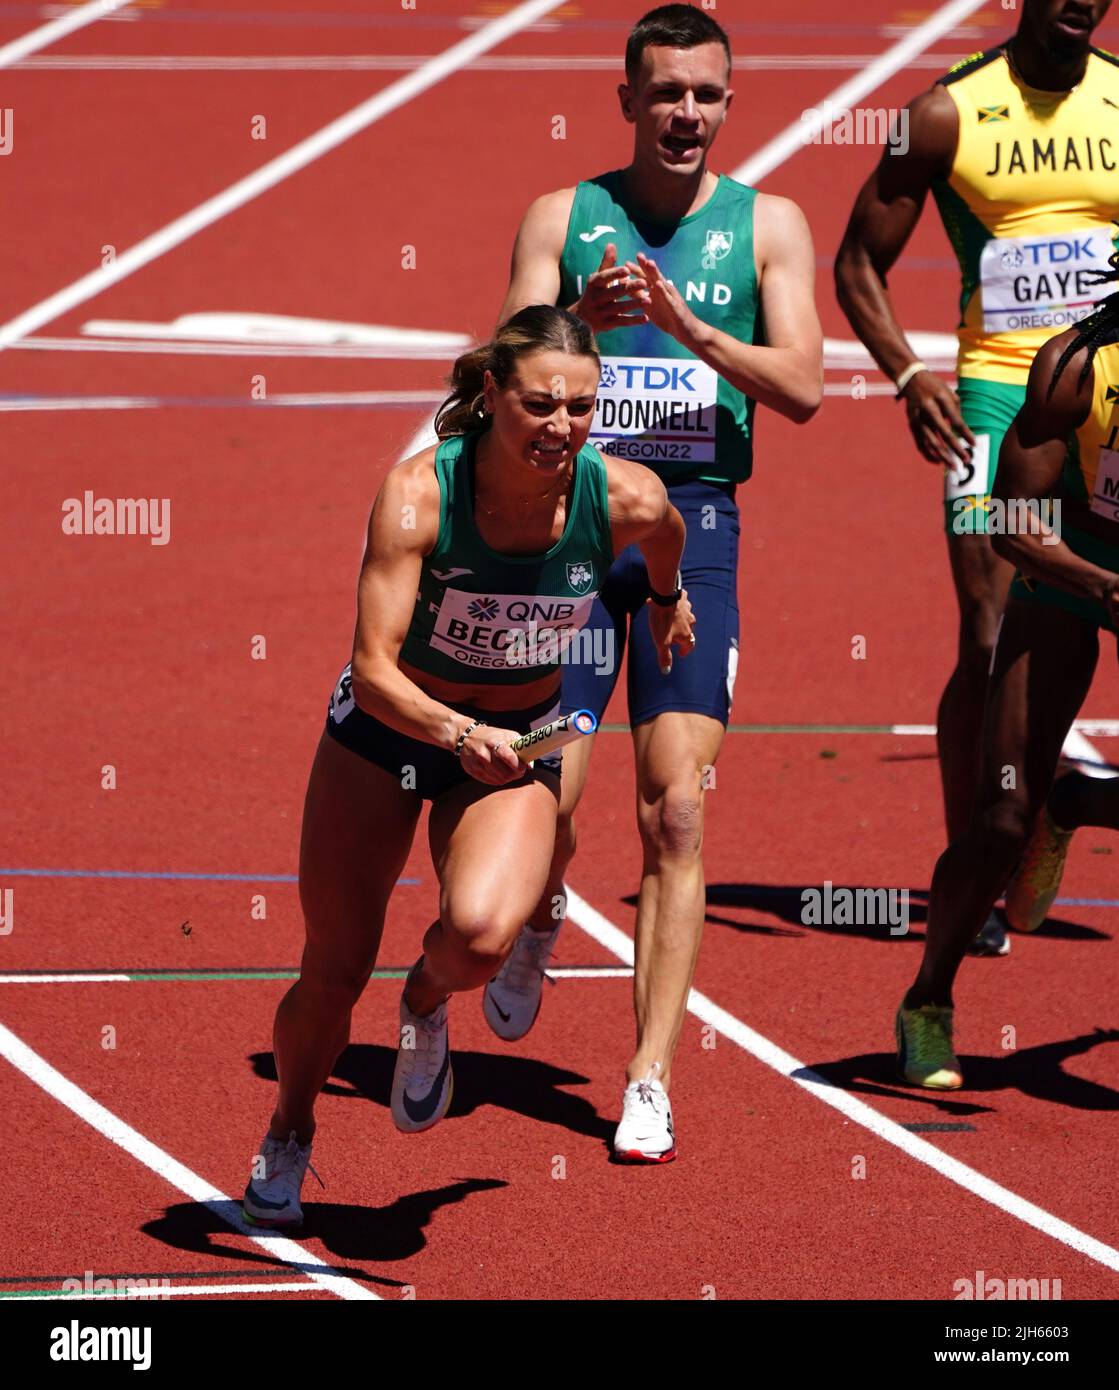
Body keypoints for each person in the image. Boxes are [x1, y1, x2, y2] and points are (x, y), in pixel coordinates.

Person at [242, 306, 694, 1226]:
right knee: (333, 969)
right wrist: (452, 731)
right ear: (490, 395)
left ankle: (424, 997)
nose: (560, 427)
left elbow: (669, 536)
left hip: (516, 738)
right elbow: (371, 673)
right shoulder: (418, 496)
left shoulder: (625, 500)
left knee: (482, 938)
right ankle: (289, 1131)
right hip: (389, 735)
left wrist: (664, 599)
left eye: (579, 407)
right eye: (537, 405)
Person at [485, 3, 822, 1163]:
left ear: (730, 104)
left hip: (697, 530)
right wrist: (578, 318)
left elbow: (805, 386)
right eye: (666, 92)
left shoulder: (769, 225)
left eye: (706, 95)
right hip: (575, 538)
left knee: (677, 806)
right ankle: (539, 909)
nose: (687, 113)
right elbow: (497, 377)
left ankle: (648, 1077)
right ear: (626, 100)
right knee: (557, 805)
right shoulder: (562, 216)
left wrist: (688, 327)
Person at [835, 0, 1118, 957]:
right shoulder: (945, 114)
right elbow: (857, 260)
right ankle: (983, 846)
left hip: (1111, 399)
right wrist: (911, 376)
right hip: (998, 399)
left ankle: (1057, 807)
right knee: (992, 630)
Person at [896, 255, 1119, 1089]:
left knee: (1038, 808)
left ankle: (1079, 799)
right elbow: (1012, 525)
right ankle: (927, 1002)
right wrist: (1101, 583)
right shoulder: (1075, 366)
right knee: (995, 823)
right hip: (1064, 578)